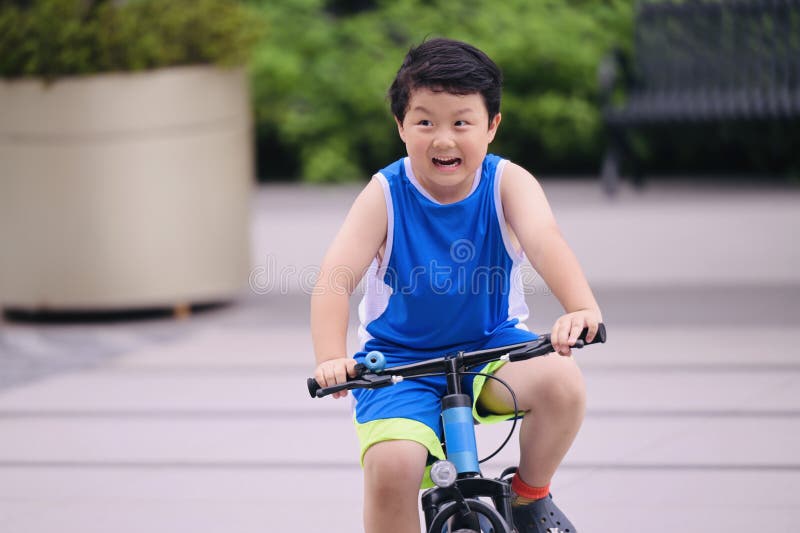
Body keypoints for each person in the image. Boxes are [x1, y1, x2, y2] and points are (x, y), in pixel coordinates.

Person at [311, 37, 602, 533]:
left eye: (461, 122)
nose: (443, 139)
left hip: (491, 350)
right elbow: (334, 279)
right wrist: (330, 357)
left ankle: (530, 497)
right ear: (401, 126)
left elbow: (544, 240)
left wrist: (580, 308)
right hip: (401, 365)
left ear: (492, 126)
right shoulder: (386, 193)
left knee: (562, 381)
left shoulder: (507, 182)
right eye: (425, 122)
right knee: (393, 467)